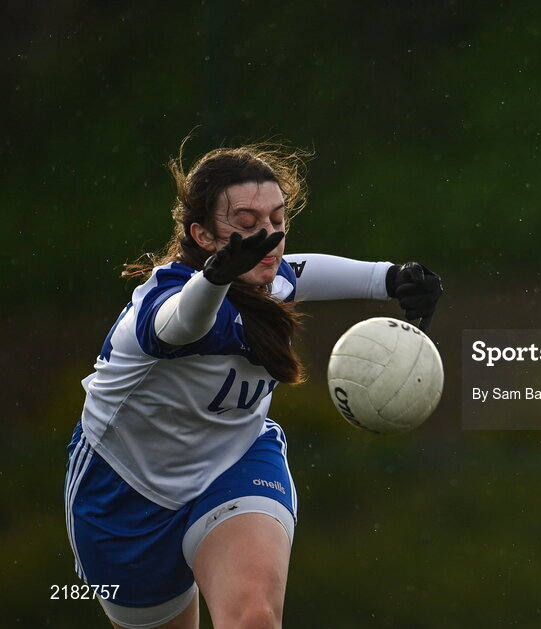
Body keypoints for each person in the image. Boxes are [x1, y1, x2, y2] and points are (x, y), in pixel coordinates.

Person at [63, 142, 442, 629]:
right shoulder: (163, 303)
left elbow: (298, 271)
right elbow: (182, 324)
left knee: (253, 617)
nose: (268, 237)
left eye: (278, 220)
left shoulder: (268, 277)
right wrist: (213, 278)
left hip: (236, 462)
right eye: (246, 224)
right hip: (125, 488)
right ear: (201, 234)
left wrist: (390, 278)